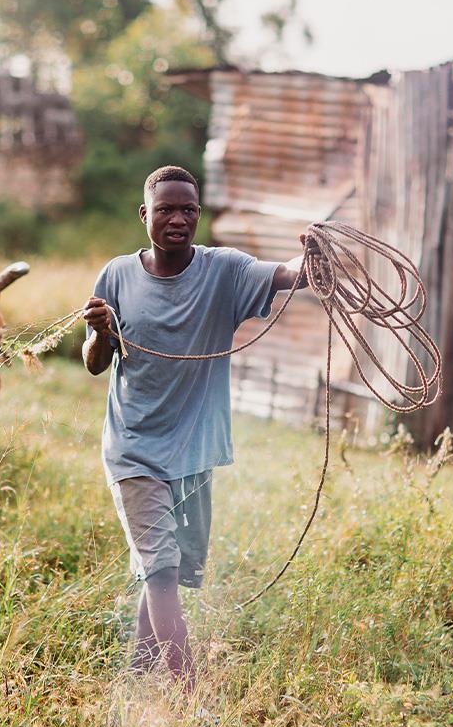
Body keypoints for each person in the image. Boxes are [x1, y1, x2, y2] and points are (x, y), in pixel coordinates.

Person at [82, 165, 308, 692]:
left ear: (198, 215)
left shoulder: (224, 270)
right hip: (134, 448)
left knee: (169, 568)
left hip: (194, 450)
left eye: (188, 210)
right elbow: (95, 363)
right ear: (145, 215)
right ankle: (190, 699)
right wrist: (99, 334)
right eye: (165, 209)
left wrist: (314, 253)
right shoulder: (116, 275)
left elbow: (290, 274)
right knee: (160, 570)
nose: (177, 219)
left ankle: (136, 678)